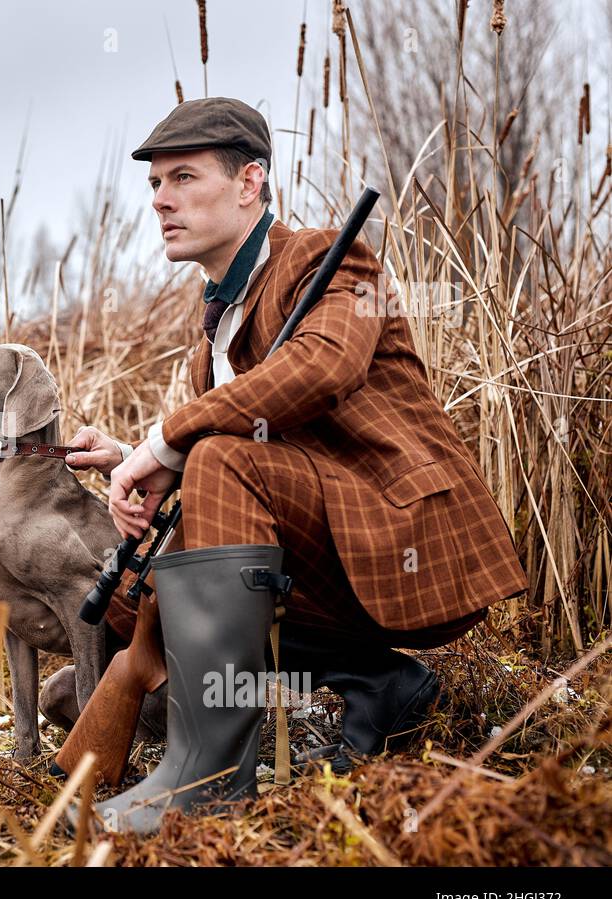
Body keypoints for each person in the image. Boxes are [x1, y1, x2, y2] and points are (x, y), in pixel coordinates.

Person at [62, 96, 528, 836]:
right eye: (154, 185)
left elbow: (324, 369)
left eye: (183, 178)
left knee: (214, 459)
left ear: (250, 183)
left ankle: (209, 777)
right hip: (327, 536)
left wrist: (170, 440)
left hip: (402, 527)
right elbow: (257, 445)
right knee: (135, 594)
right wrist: (142, 462)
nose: (161, 200)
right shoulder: (217, 320)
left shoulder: (330, 259)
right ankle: (381, 686)